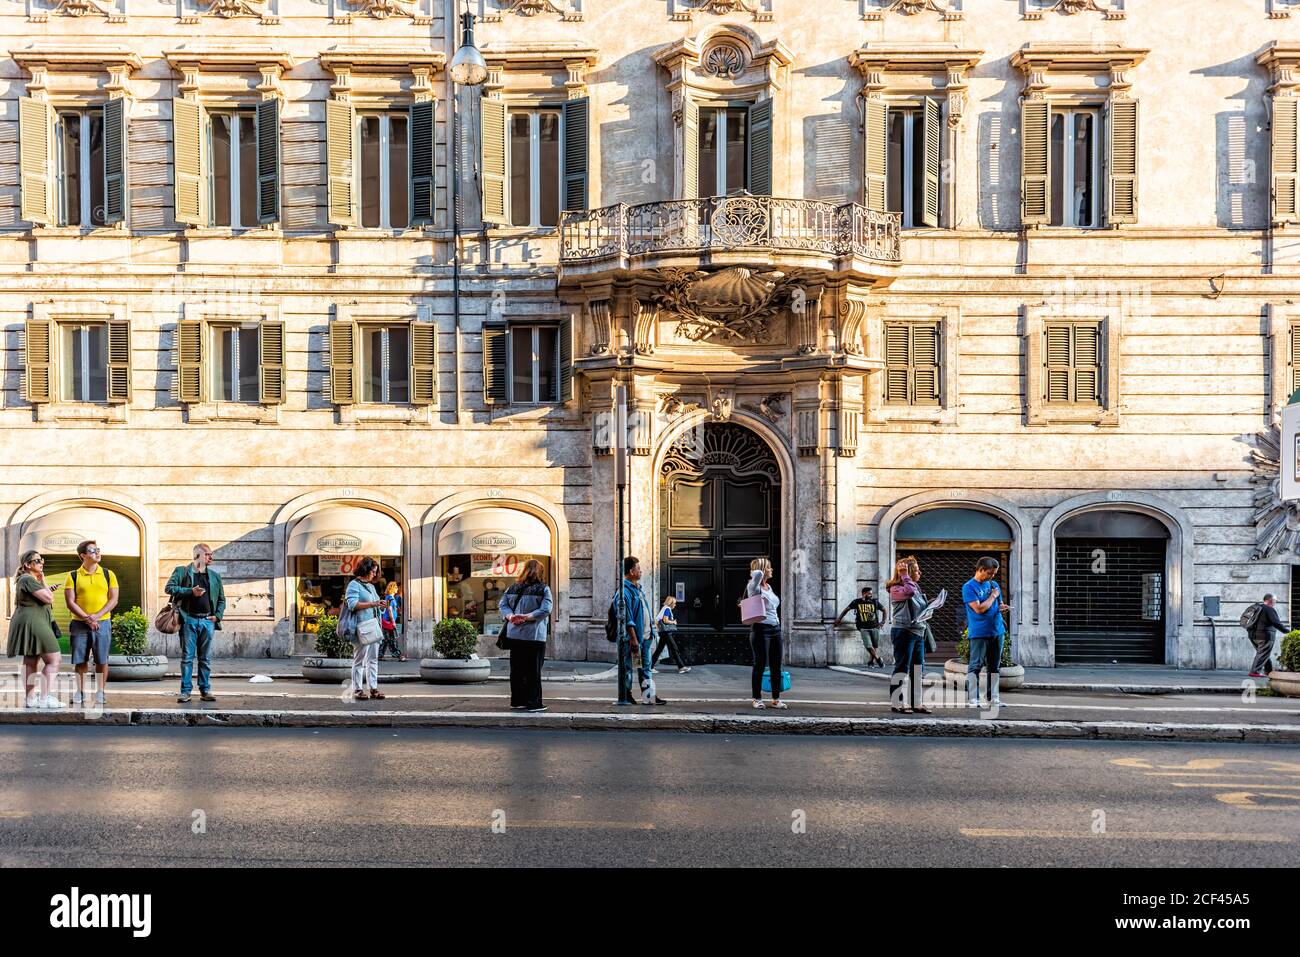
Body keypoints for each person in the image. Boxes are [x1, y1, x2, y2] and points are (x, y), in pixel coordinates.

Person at [166, 543, 225, 704]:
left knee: (205, 658)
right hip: (188, 620)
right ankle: (185, 691)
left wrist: (217, 616)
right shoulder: (182, 571)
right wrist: (190, 591)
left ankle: (205, 690)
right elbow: (169, 588)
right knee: (187, 658)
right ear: (198, 555)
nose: (211, 557)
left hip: (207, 621)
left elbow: (221, 599)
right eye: (208, 554)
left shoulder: (214, 576)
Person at [6, 550, 65, 709]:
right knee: (54, 659)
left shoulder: (27, 579)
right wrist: (44, 581)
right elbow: (49, 598)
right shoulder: (27, 578)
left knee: (31, 661)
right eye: (37, 560)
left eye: (42, 560)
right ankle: (44, 698)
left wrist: (42, 583)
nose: (42, 563)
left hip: (30, 620)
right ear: (27, 564)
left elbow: (38, 597)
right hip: (33, 622)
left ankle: (30, 699)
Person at [64, 539, 118, 706]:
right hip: (80, 624)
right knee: (81, 660)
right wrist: (88, 618)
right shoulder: (72, 575)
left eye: (98, 550)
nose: (98, 553)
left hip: (103, 622)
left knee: (102, 660)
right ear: (83, 555)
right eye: (93, 551)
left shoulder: (109, 574)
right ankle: (80, 691)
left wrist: (96, 616)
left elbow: (113, 599)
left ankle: (101, 692)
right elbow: (70, 602)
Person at [498, 559, 554, 713]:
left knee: (516, 670)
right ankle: (533, 703)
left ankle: (517, 701)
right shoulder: (543, 589)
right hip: (534, 636)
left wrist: (511, 617)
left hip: (514, 635)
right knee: (533, 670)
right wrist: (527, 616)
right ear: (540, 572)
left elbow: (502, 605)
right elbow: (546, 609)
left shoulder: (512, 588)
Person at [962, 557, 1013, 707]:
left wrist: (1003, 607)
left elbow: (999, 604)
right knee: (975, 665)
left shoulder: (993, 584)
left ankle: (994, 698)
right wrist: (992, 596)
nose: (992, 576)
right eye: (990, 573)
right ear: (981, 569)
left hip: (997, 631)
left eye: (994, 574)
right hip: (979, 632)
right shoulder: (969, 587)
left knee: (994, 666)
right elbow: (979, 609)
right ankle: (973, 698)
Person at [887, 556, 931, 715]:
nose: (920, 572)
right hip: (904, 631)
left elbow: (918, 604)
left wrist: (931, 604)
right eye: (917, 570)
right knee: (902, 668)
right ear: (909, 572)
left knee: (918, 669)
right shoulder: (895, 588)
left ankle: (916, 702)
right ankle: (897, 703)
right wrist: (904, 574)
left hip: (918, 631)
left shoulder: (916, 587)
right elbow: (909, 592)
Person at [620, 556, 666, 705]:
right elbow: (627, 617)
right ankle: (626, 696)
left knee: (646, 668)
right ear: (632, 571)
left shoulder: (638, 589)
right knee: (629, 668)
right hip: (634, 639)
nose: (641, 571)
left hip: (645, 637)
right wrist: (633, 638)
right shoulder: (624, 591)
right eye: (639, 569)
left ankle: (648, 696)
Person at [747, 557, 785, 710]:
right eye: (769, 567)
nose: (772, 570)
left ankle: (776, 699)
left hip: (776, 629)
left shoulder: (768, 587)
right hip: (761, 629)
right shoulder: (753, 587)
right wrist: (760, 565)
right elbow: (755, 574)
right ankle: (756, 698)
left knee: (776, 665)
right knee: (760, 664)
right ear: (763, 570)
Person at [346, 557, 387, 700]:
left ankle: (373, 688)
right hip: (361, 627)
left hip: (374, 626)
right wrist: (373, 604)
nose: (374, 575)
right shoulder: (353, 585)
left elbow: (374, 604)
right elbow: (352, 604)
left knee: (373, 659)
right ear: (365, 569)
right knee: (359, 660)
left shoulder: (370, 586)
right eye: (373, 571)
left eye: (376, 572)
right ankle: (357, 689)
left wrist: (380, 606)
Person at [835, 586, 886, 667]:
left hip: (875, 627)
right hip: (863, 628)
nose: (871, 595)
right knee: (868, 645)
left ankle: (870, 662)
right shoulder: (856, 602)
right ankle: (878, 659)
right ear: (864, 594)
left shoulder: (875, 602)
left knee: (874, 645)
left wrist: (883, 622)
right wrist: (839, 618)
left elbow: (884, 610)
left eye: (871, 594)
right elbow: (846, 609)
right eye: (869, 594)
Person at [1247, 593, 1289, 678]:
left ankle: (1269, 671)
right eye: (1275, 600)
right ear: (1271, 600)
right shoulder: (1269, 609)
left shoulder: (1257, 608)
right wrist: (1287, 631)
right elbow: (1276, 623)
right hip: (1265, 636)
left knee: (1263, 653)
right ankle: (1254, 671)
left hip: (1253, 635)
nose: (1275, 602)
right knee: (1263, 653)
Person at [651, 596, 691, 674]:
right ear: (671, 603)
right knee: (674, 648)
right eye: (674, 603)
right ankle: (681, 667)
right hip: (666, 633)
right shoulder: (667, 609)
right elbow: (665, 620)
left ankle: (650, 667)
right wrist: (673, 622)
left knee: (659, 650)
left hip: (664, 633)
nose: (675, 605)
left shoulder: (664, 608)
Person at [377, 582, 406, 662]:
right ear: (392, 588)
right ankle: (398, 654)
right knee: (392, 639)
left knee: (386, 639)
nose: (397, 588)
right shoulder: (390, 598)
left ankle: (380, 654)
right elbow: (390, 610)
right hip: (388, 621)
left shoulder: (388, 597)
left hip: (386, 621)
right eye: (396, 587)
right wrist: (393, 622)